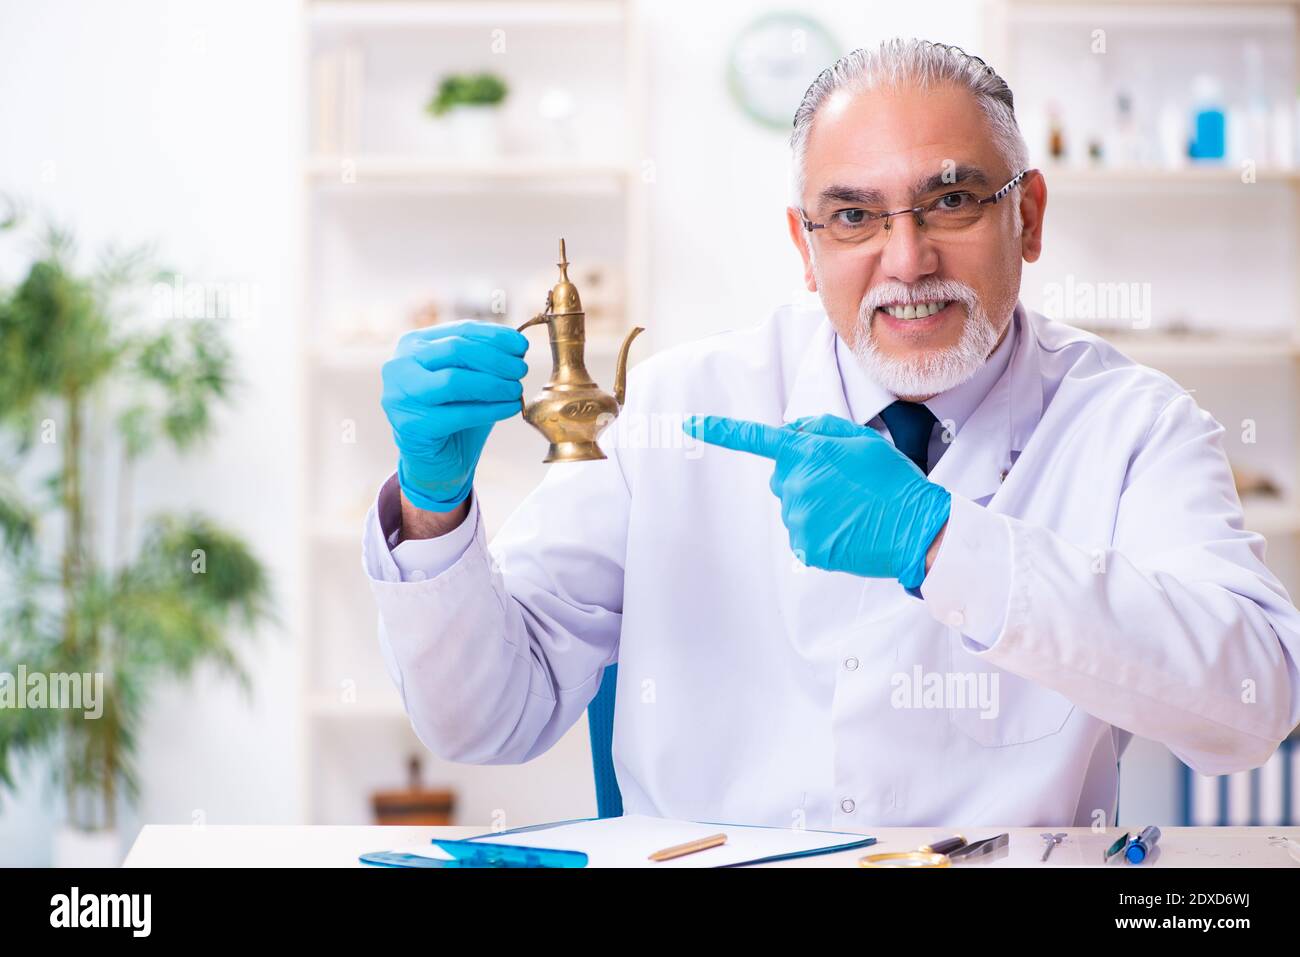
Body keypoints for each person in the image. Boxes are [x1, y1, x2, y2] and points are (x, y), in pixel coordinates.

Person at [364, 39, 1300, 828]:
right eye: (853, 216)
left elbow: (1253, 704)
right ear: (806, 248)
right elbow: (487, 718)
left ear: (1029, 216)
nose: (907, 259)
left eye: (951, 200)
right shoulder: (677, 407)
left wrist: (944, 541)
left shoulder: (1132, 426)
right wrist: (435, 503)